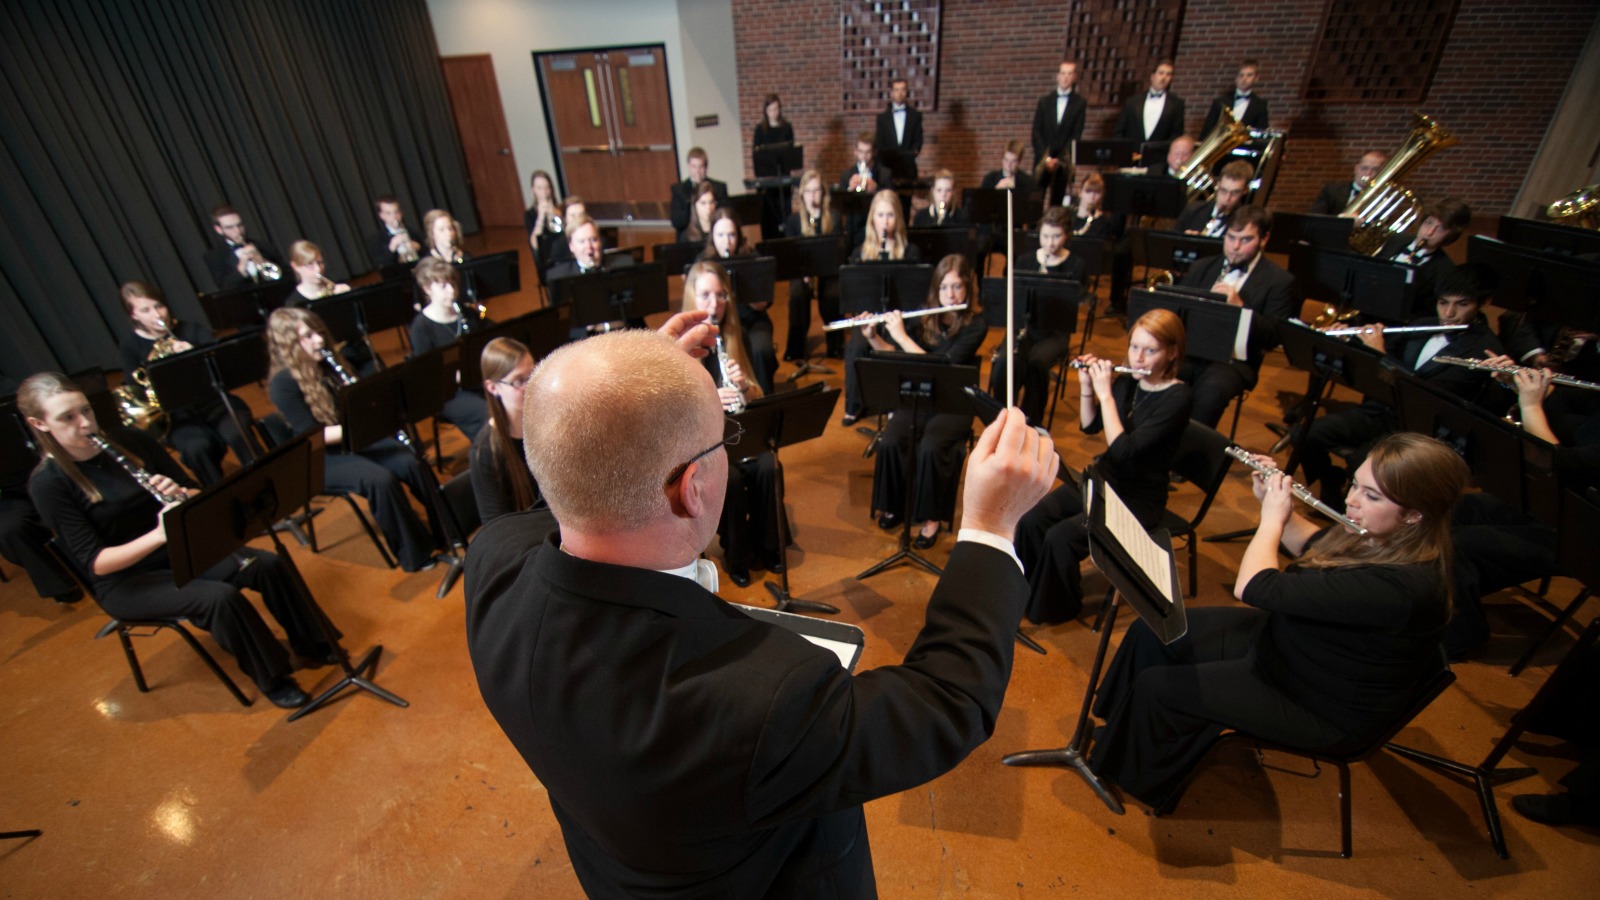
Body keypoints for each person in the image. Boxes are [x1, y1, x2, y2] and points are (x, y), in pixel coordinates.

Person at [463, 326, 1057, 898]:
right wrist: (990, 527)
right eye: (725, 439)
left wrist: (627, 397)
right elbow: (948, 703)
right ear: (691, 488)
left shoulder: (492, 565)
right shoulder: (759, 705)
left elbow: (580, 470)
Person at [1086, 433, 1470, 812]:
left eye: (1372, 496)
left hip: (1318, 702)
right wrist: (1269, 500)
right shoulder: (1384, 537)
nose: (1351, 500)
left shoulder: (1404, 588)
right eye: (1355, 485)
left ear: (1414, 515)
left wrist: (1270, 520)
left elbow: (1254, 586)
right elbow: (1313, 543)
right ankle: (1118, 727)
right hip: (1291, 646)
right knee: (1153, 630)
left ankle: (1123, 769)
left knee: (1159, 688)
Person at [21, 372, 333, 708]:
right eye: (67, 418)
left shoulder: (131, 440)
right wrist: (158, 535)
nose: (85, 423)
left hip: (178, 550)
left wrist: (182, 494)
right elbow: (97, 563)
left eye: (86, 410)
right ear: (39, 424)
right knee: (219, 598)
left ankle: (314, 643)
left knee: (266, 564)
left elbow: (198, 494)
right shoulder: (48, 484)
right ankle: (273, 678)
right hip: (127, 579)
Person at [1016, 310, 1192, 624]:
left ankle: (1056, 606)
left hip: (1137, 499)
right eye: (1134, 347)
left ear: (1172, 352)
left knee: (1060, 538)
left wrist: (1106, 394)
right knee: (1031, 519)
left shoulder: (1177, 398)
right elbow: (1090, 425)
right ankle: (1024, 591)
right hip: (1103, 480)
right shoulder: (1129, 382)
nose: (1138, 358)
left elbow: (1123, 450)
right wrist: (1087, 385)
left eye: (1150, 350)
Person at [1293, 266, 1502, 509]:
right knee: (1303, 434)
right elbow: (1376, 362)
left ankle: (1352, 514)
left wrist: (1380, 354)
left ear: (1483, 303)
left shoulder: (1486, 350)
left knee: (1362, 464)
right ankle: (1331, 481)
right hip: (1382, 412)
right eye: (1443, 303)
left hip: (1418, 429)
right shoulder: (1422, 325)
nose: (1449, 313)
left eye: (1462, 304)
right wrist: (1348, 341)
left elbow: (1422, 395)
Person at [265, 307, 439, 573]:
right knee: (380, 480)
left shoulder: (329, 363)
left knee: (411, 461)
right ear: (289, 345)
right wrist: (364, 424)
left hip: (353, 438)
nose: (319, 340)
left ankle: (449, 527)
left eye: (318, 333)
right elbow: (312, 436)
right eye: (307, 337)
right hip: (320, 458)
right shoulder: (282, 384)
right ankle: (415, 553)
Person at [864, 254, 988, 547]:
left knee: (932, 446)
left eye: (957, 287)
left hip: (955, 399)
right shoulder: (925, 317)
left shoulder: (976, 325)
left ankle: (931, 518)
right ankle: (895, 506)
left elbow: (943, 367)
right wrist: (872, 337)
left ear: (968, 288)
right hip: (920, 393)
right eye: (944, 287)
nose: (950, 295)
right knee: (891, 439)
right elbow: (897, 354)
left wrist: (901, 337)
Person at [682, 261, 779, 585]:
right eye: (706, 295)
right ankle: (737, 555)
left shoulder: (737, 337)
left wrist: (744, 386)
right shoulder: (682, 349)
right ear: (691, 298)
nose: (715, 304)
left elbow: (757, 395)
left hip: (738, 431)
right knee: (732, 480)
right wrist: (711, 399)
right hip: (703, 443)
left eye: (721, 295)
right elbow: (676, 416)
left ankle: (769, 545)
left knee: (768, 466)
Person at [117, 281, 258, 486]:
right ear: (134, 315)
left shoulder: (191, 329)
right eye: (146, 310)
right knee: (196, 448)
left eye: (159, 306)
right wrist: (154, 369)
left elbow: (223, 365)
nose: (157, 314)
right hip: (177, 418)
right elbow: (135, 388)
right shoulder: (131, 345)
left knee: (238, 432)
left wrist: (194, 354)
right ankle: (220, 493)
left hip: (215, 404)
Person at [1175, 205, 1297, 429]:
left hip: (1234, 360)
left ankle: (1190, 447)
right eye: (1231, 237)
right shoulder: (1201, 267)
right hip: (1193, 350)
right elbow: (1178, 312)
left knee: (1211, 392)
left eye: (1245, 239)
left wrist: (1240, 308)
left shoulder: (1279, 281)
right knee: (1155, 372)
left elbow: (1273, 336)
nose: (1235, 247)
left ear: (1264, 239)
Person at [988, 207, 1085, 423]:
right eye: (1045, 236)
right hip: (1024, 327)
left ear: (1066, 235)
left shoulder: (1075, 265)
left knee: (1036, 364)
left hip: (1054, 332)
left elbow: (1071, 305)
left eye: (1056, 236)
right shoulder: (1025, 260)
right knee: (1006, 362)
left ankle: (1029, 421)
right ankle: (1002, 416)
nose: (1050, 243)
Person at [841, 190, 923, 425]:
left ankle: (893, 403)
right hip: (869, 317)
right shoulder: (860, 252)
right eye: (880, 215)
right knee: (856, 346)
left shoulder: (910, 252)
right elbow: (853, 294)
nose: (885, 222)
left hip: (898, 316)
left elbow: (915, 294)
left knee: (895, 343)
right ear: (872, 219)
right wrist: (863, 317)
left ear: (898, 219)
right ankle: (854, 404)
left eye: (890, 215)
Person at [408, 258, 490, 442]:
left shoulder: (466, 313)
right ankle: (490, 453)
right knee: (485, 413)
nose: (452, 291)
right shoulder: (421, 327)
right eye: (443, 286)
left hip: (477, 380)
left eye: (453, 284)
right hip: (447, 393)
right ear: (427, 289)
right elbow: (426, 372)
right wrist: (458, 376)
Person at [696, 207, 776, 394]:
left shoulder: (753, 258)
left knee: (762, 349)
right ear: (712, 236)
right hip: (721, 323)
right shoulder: (704, 262)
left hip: (751, 319)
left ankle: (764, 396)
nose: (727, 241)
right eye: (721, 235)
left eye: (731, 235)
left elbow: (762, 304)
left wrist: (745, 292)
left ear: (739, 236)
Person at [469, 337, 540, 524]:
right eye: (519, 381)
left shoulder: (546, 422)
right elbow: (497, 527)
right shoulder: (485, 452)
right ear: (493, 388)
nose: (531, 385)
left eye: (533, 374)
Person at [780, 169, 844, 361]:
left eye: (816, 190)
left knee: (832, 295)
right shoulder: (793, 221)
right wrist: (804, 273)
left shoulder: (833, 217)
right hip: (803, 272)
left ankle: (836, 346)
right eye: (808, 191)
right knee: (798, 294)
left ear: (823, 193)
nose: (812, 196)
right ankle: (796, 348)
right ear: (802, 194)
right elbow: (790, 254)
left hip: (828, 271)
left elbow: (837, 251)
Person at [1378, 196, 1470, 320]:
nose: (1429, 232)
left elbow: (1427, 313)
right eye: (1429, 222)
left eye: (1441, 228)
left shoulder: (1445, 270)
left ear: (1450, 236)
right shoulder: (1395, 239)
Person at [1032, 61, 1088, 207]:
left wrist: (1060, 159)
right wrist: (1046, 158)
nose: (1065, 77)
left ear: (1074, 77)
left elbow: (1076, 134)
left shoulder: (1079, 103)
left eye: (1069, 73)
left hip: (1063, 161)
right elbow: (1036, 132)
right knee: (1035, 200)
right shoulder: (1044, 102)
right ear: (1057, 76)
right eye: (1063, 73)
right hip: (1043, 159)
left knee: (1056, 203)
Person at [204, 205, 283, 291]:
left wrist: (263, 261)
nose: (238, 231)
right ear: (218, 230)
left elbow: (287, 275)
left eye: (239, 225)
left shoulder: (265, 246)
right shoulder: (213, 256)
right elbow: (225, 287)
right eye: (230, 227)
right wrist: (242, 264)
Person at [752, 94, 796, 237]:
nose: (773, 113)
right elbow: (756, 155)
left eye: (776, 109)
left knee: (784, 213)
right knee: (768, 215)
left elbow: (791, 153)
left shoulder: (787, 128)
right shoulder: (760, 130)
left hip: (783, 179)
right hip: (767, 179)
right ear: (765, 111)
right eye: (770, 110)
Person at [1114, 59, 1186, 145]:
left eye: (1168, 74)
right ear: (1152, 76)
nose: (1164, 77)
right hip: (1132, 151)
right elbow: (1119, 131)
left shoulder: (1177, 104)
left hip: (1159, 152)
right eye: (1161, 73)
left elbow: (1176, 134)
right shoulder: (1132, 102)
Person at [1174, 161, 1253, 237]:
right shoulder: (1193, 210)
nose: (1227, 198)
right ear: (1217, 184)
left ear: (1245, 190)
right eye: (1223, 190)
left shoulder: (1245, 222)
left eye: (1235, 193)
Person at [668, 147, 729, 235]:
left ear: (706, 167)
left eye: (701, 167)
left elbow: (724, 216)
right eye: (694, 166)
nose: (697, 171)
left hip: (714, 233)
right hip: (688, 236)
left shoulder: (719, 188)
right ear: (688, 166)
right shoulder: (678, 190)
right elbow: (677, 223)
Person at [1200, 59, 1270, 135]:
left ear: (1256, 78)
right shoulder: (1220, 102)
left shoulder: (1260, 105)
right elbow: (1207, 131)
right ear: (1236, 78)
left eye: (1249, 75)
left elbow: (1261, 133)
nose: (1244, 79)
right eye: (1241, 75)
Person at [875, 78, 923, 182]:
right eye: (896, 90)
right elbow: (879, 142)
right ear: (891, 93)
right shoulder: (882, 118)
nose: (899, 93)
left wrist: (912, 155)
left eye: (903, 90)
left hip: (909, 167)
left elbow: (918, 139)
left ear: (906, 92)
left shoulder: (915, 116)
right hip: (888, 167)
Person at [1309, 150, 1388, 215]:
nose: (1368, 173)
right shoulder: (1332, 191)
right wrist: (1345, 221)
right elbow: (1316, 219)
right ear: (1356, 169)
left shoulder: (1385, 195)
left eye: (1375, 169)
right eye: (1364, 168)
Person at [286, 240, 352, 304]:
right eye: (310, 264)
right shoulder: (293, 303)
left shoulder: (335, 289)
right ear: (295, 266)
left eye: (320, 262)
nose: (318, 269)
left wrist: (346, 296)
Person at [367, 195, 422, 270]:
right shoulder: (376, 239)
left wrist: (418, 247)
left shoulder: (413, 232)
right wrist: (391, 248)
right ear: (382, 216)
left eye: (396, 212)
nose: (394, 216)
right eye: (388, 213)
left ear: (401, 212)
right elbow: (379, 264)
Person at [523, 170, 563, 259]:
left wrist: (553, 215)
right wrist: (541, 216)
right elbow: (534, 245)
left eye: (546, 187)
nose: (544, 192)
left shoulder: (560, 210)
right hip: (544, 256)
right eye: (539, 188)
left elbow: (563, 234)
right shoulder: (530, 214)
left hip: (561, 252)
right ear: (533, 190)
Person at [1072, 173, 1114, 238]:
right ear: (1080, 192)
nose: (1092, 196)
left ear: (1102, 195)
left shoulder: (1104, 222)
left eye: (1097, 192)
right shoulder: (1068, 216)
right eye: (1088, 191)